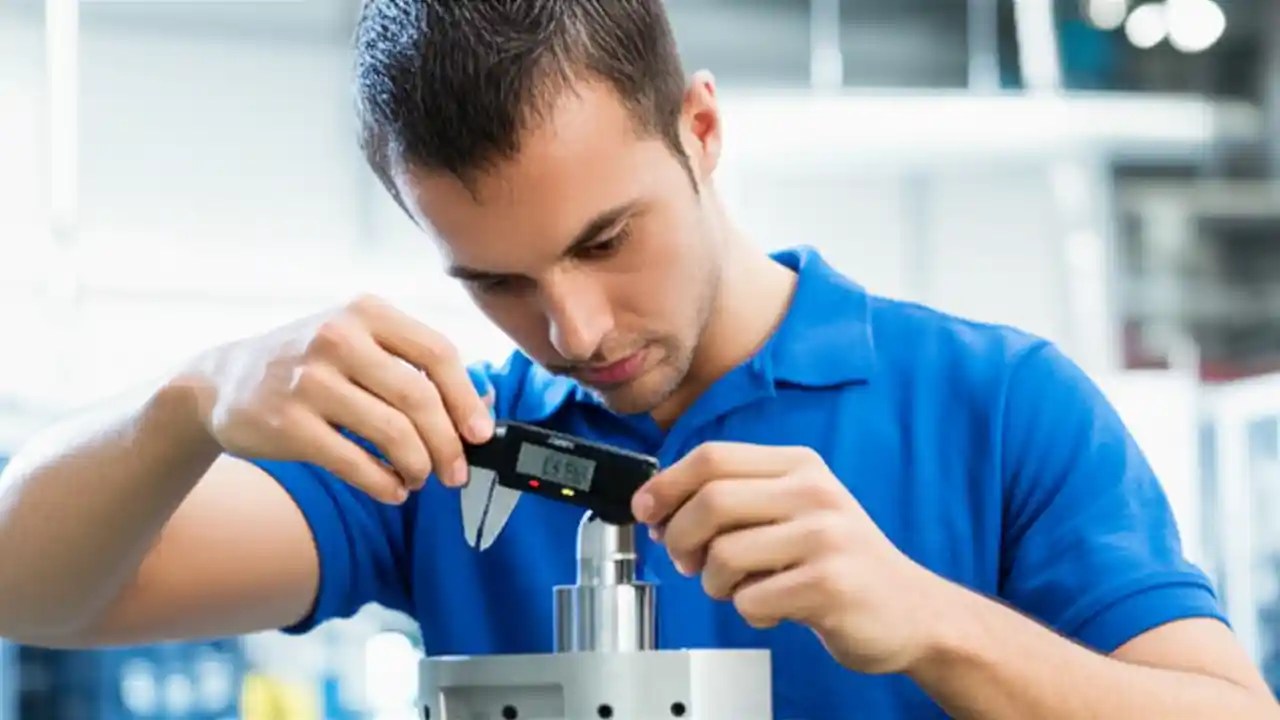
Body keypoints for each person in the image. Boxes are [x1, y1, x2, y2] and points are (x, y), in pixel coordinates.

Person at [0, 2, 1274, 718]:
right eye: (494, 280)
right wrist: (191, 404)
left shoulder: (996, 404)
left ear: (700, 130)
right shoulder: (456, 452)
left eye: (606, 239)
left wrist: (929, 621)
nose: (576, 331)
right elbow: (28, 589)